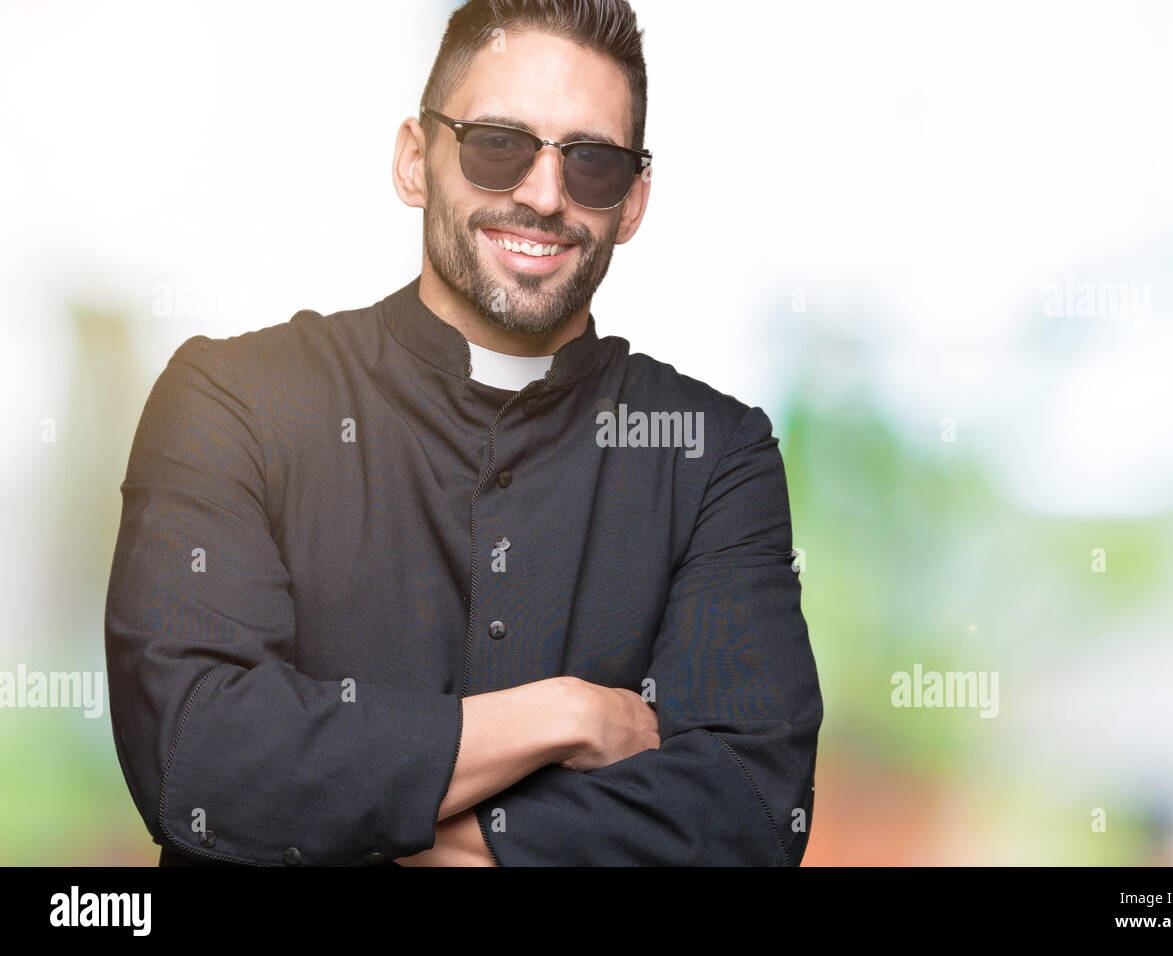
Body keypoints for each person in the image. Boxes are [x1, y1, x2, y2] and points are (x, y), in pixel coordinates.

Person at [105, 0, 822, 867]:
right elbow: (200, 761)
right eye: (497, 145)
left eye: (591, 163)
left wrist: (392, 826)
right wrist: (567, 715)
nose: (544, 195)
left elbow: (746, 812)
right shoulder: (233, 398)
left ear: (632, 203)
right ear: (416, 160)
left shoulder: (714, 454)